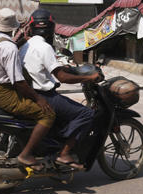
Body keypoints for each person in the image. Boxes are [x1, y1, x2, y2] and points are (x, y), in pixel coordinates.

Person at [19, 9, 98, 170]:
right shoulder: (45, 47)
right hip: (45, 96)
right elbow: (62, 78)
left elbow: (45, 67)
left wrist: (64, 68)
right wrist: (89, 78)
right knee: (86, 113)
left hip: (30, 93)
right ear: (50, 28)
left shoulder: (25, 45)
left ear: (32, 28)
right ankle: (65, 153)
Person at [0, 8, 56, 168]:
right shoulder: (10, 48)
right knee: (47, 114)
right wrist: (38, 98)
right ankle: (26, 154)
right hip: (3, 94)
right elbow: (18, 82)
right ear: (13, 27)